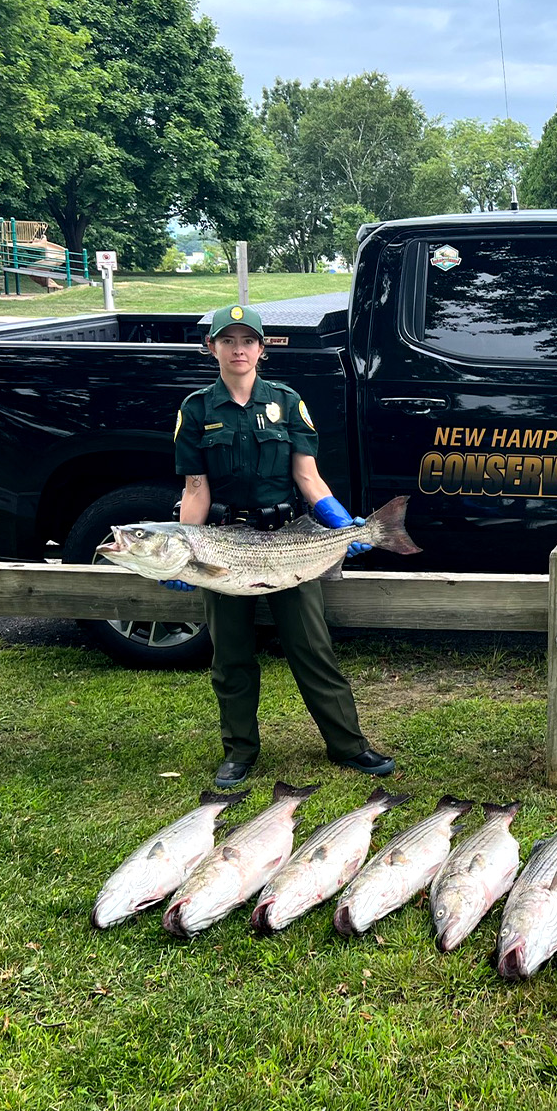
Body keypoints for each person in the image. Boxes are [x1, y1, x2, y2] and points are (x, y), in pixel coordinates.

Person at [171, 302, 396, 789]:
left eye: (247, 340)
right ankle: (239, 751)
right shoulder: (196, 409)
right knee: (230, 656)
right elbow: (195, 489)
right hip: (224, 547)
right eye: (227, 340)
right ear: (211, 347)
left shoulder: (287, 402)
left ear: (262, 349)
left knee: (312, 648)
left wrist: (340, 524)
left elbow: (307, 477)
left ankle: (348, 744)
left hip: (288, 543)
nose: (238, 349)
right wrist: (186, 551)